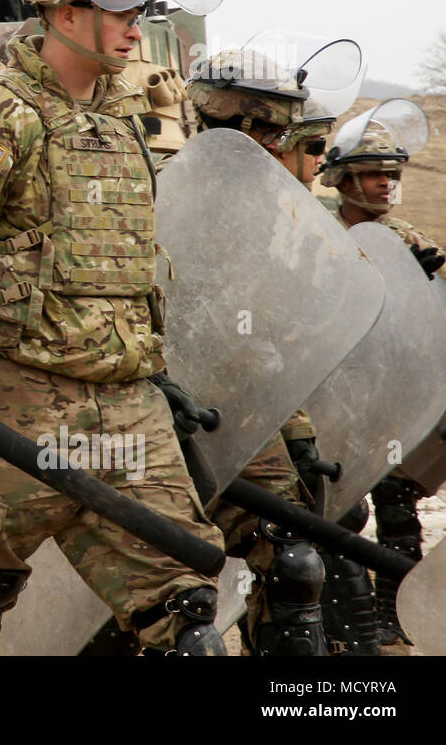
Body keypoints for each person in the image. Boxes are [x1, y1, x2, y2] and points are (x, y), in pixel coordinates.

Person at [0, 0, 229, 655]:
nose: (136, 28)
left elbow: (131, 260)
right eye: (122, 10)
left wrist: (149, 365)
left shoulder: (119, 121)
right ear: (64, 10)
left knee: (187, 618)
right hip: (17, 407)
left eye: (141, 11)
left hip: (127, 409)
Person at [186, 34, 365, 655]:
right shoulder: (159, 194)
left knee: (292, 558)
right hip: (153, 410)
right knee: (162, 591)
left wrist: (295, 428)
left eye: (281, 136)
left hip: (239, 411)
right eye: (265, 132)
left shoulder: (270, 215)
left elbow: (266, 342)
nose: (278, 148)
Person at [320, 99, 442, 646]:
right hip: (327, 388)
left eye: (392, 175)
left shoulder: (407, 239)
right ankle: (349, 624)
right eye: (373, 174)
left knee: (397, 500)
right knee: (334, 511)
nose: (385, 184)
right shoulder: (314, 232)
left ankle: (396, 614)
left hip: (387, 390)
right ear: (344, 177)